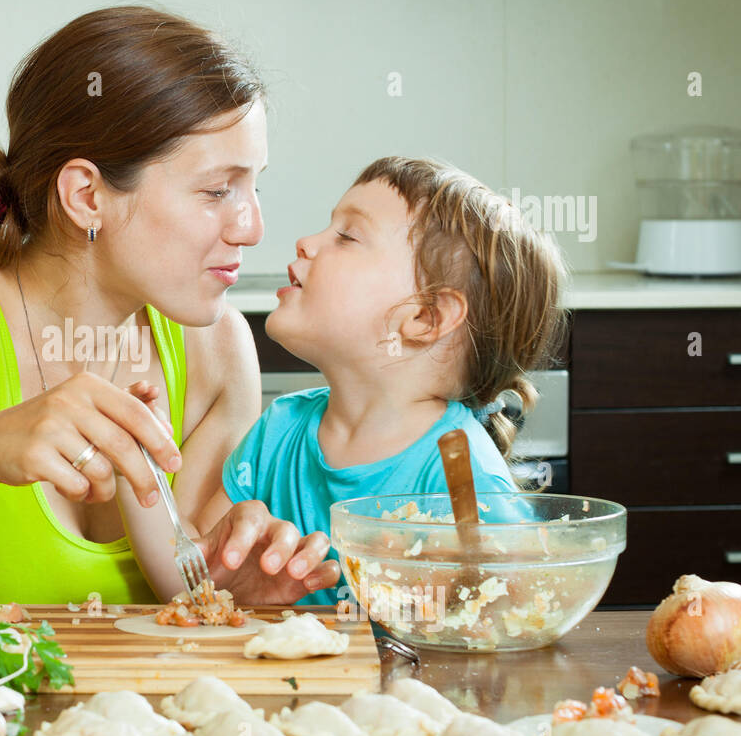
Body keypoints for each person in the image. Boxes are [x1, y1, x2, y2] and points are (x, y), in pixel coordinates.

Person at [0, 5, 340, 611]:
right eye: (215, 191)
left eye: (255, 185)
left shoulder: (217, 347)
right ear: (86, 195)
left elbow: (192, 585)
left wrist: (234, 592)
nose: (253, 227)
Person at [205, 156, 567, 607]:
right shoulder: (278, 428)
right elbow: (196, 578)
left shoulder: (459, 469)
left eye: (347, 236)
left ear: (424, 316)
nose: (306, 242)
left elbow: (512, 619)